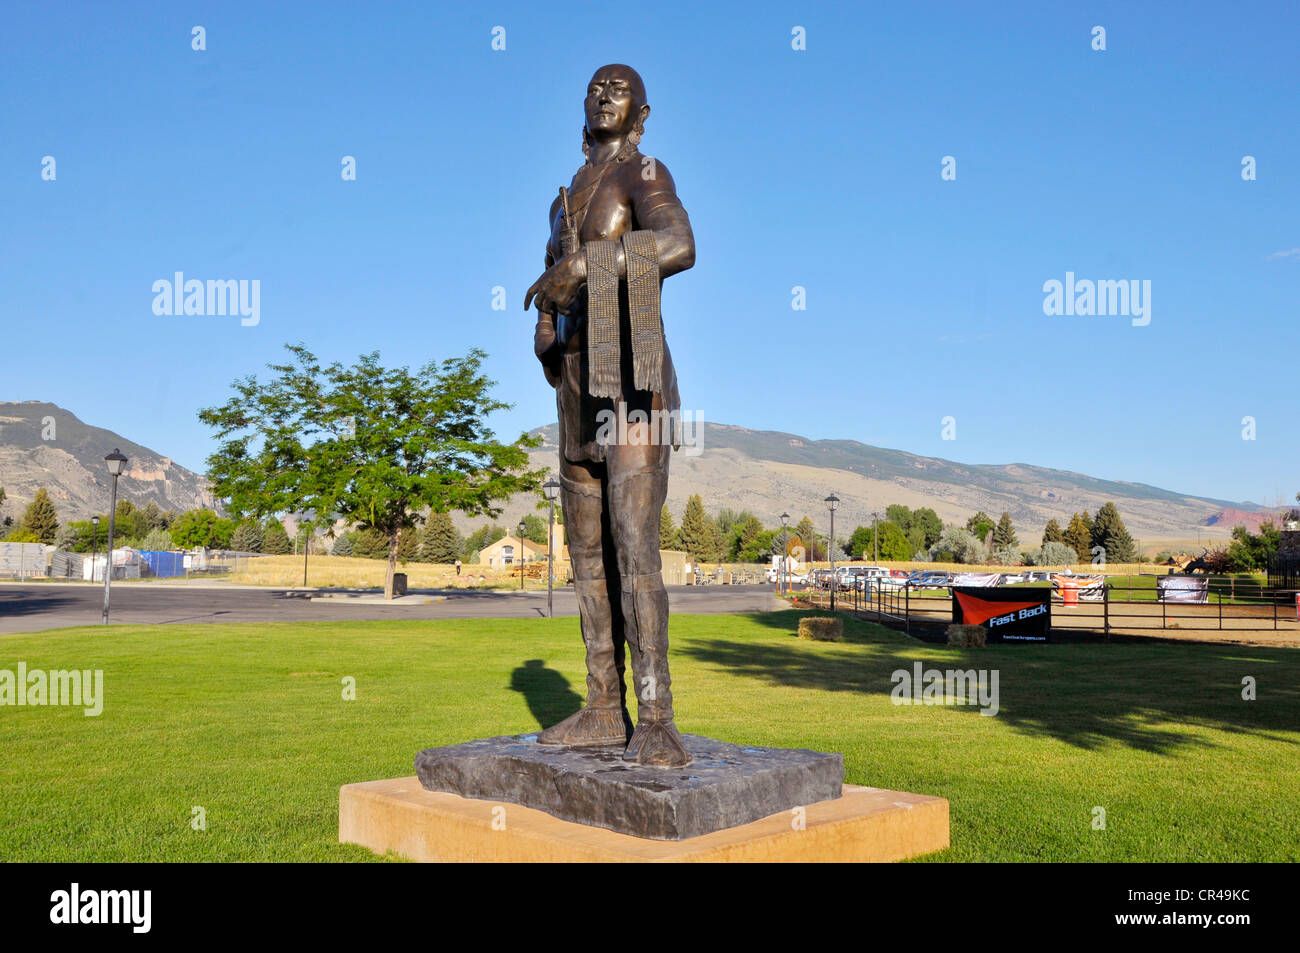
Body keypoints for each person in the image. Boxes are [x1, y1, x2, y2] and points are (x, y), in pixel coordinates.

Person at [525, 64, 695, 766]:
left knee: (634, 548)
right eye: (595, 86)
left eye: (618, 88)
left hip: (631, 387)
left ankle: (654, 717)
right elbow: (551, 273)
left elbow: (680, 245)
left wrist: (589, 267)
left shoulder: (643, 172)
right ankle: (602, 706)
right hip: (574, 388)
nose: (603, 94)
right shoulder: (563, 196)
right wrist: (543, 322)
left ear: (641, 112)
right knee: (587, 558)